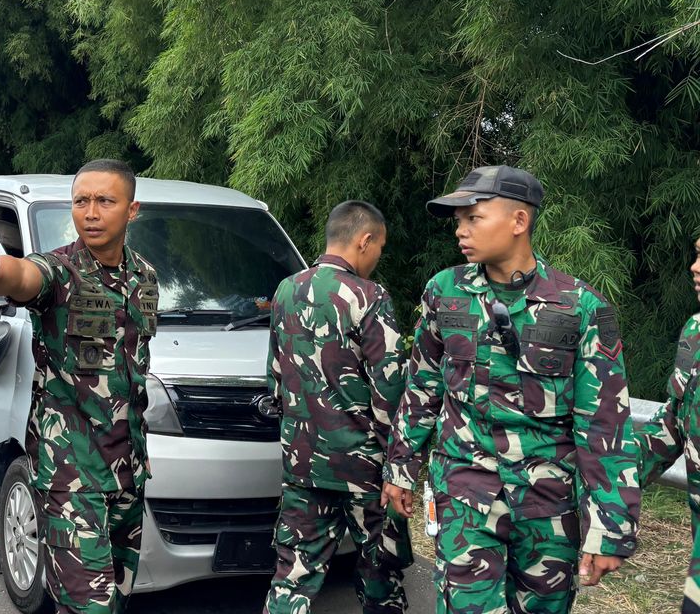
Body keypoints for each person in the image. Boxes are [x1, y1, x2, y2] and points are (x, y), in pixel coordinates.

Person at [382, 165, 640, 613]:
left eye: (473, 217)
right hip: (463, 489)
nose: (460, 230)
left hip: (547, 504)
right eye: (457, 220)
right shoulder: (444, 292)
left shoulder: (580, 307)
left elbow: (604, 423)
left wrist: (611, 525)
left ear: (519, 222)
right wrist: (400, 468)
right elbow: (422, 385)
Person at [0, 157, 157, 614]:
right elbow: (19, 276)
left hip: (128, 471)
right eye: (81, 201)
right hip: (71, 475)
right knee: (89, 606)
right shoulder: (60, 272)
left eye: (105, 201)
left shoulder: (145, 277)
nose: (91, 212)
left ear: (132, 210)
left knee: (114, 598)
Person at [263, 201, 408, 614]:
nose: (378, 257)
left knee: (293, 574)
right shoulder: (370, 296)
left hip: (302, 461)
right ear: (365, 240)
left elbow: (274, 377)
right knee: (381, 571)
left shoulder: (286, 290)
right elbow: (390, 389)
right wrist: (398, 464)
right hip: (363, 467)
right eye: (379, 246)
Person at [636, 234, 700, 612]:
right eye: (695, 255)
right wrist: (607, 473)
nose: (694, 267)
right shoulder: (695, 331)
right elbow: (673, 425)